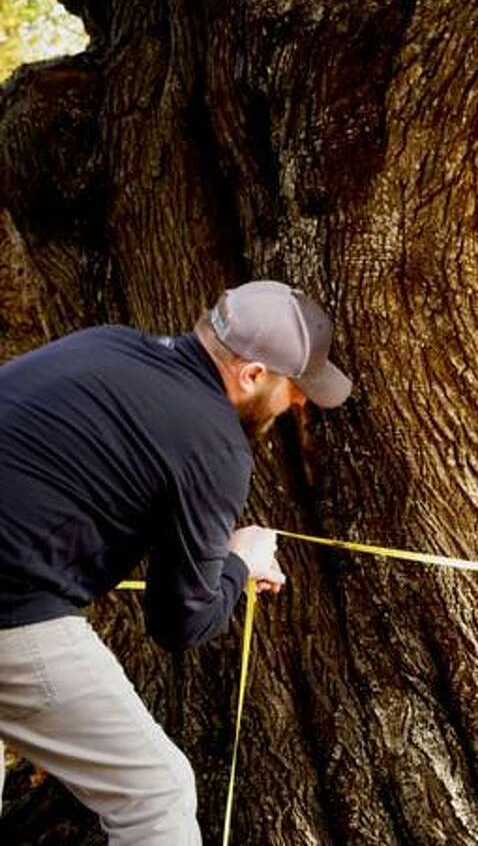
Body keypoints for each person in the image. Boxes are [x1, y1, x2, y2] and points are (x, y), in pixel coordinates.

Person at [0, 280, 351, 843]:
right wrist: (240, 562)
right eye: (295, 387)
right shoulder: (215, 446)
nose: (300, 403)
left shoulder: (105, 342)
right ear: (252, 374)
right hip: (11, 606)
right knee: (155, 794)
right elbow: (179, 622)